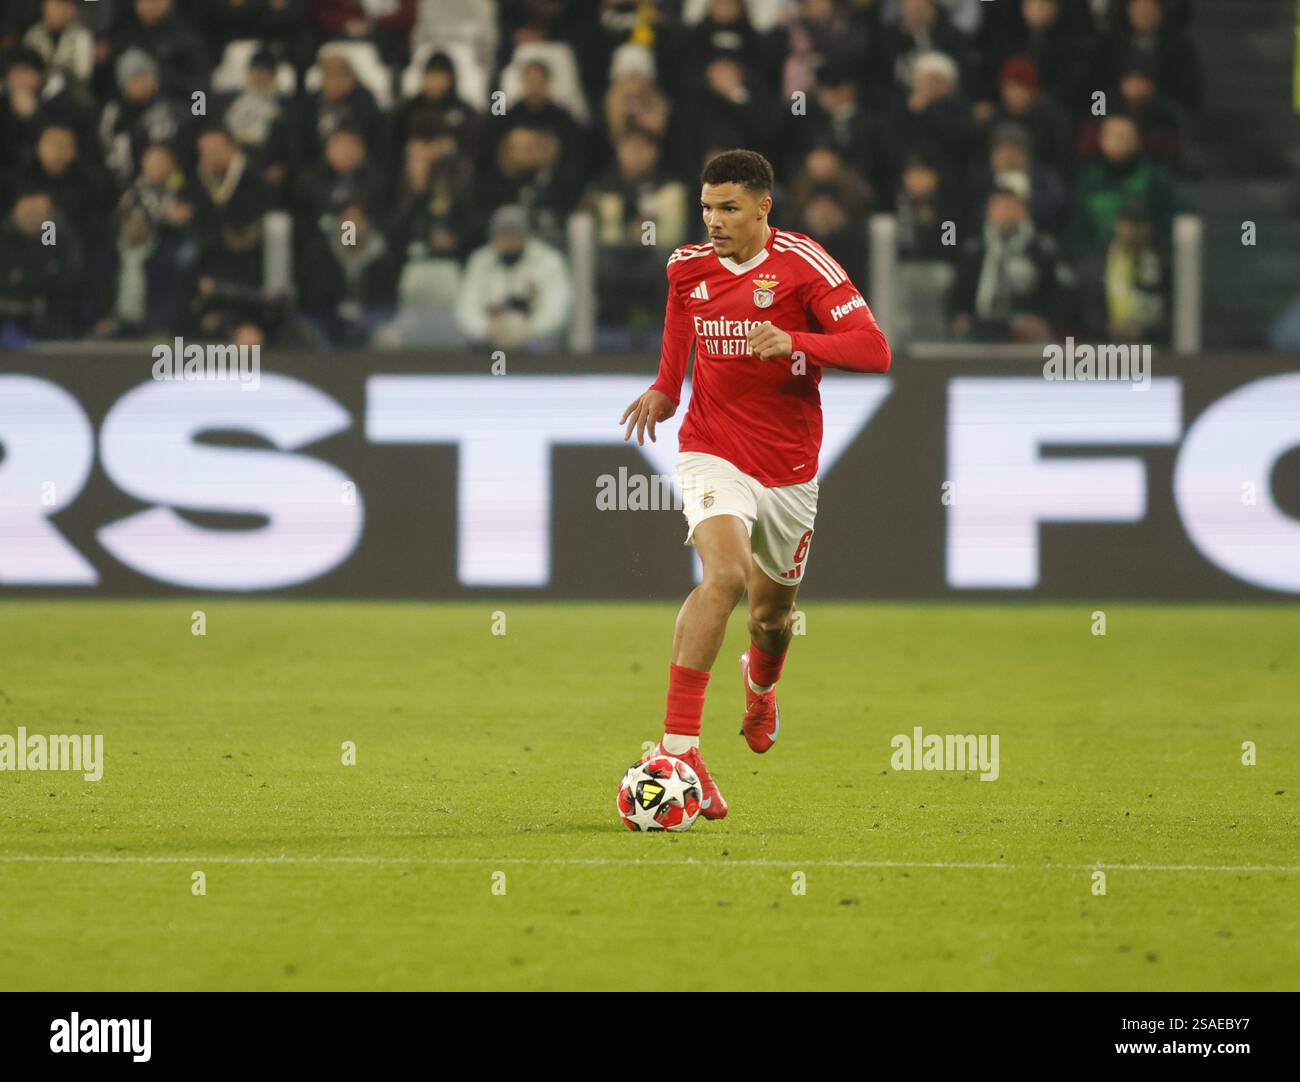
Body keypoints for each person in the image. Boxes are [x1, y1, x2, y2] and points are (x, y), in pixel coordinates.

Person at [618, 149, 891, 819]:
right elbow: (683, 318)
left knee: (771, 619)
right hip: (712, 451)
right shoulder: (686, 267)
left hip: (790, 469)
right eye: (707, 207)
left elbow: (875, 349)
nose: (714, 220)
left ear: (763, 208)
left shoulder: (805, 264)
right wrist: (664, 386)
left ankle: (760, 686)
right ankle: (682, 749)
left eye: (729, 208)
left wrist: (800, 343)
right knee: (726, 576)